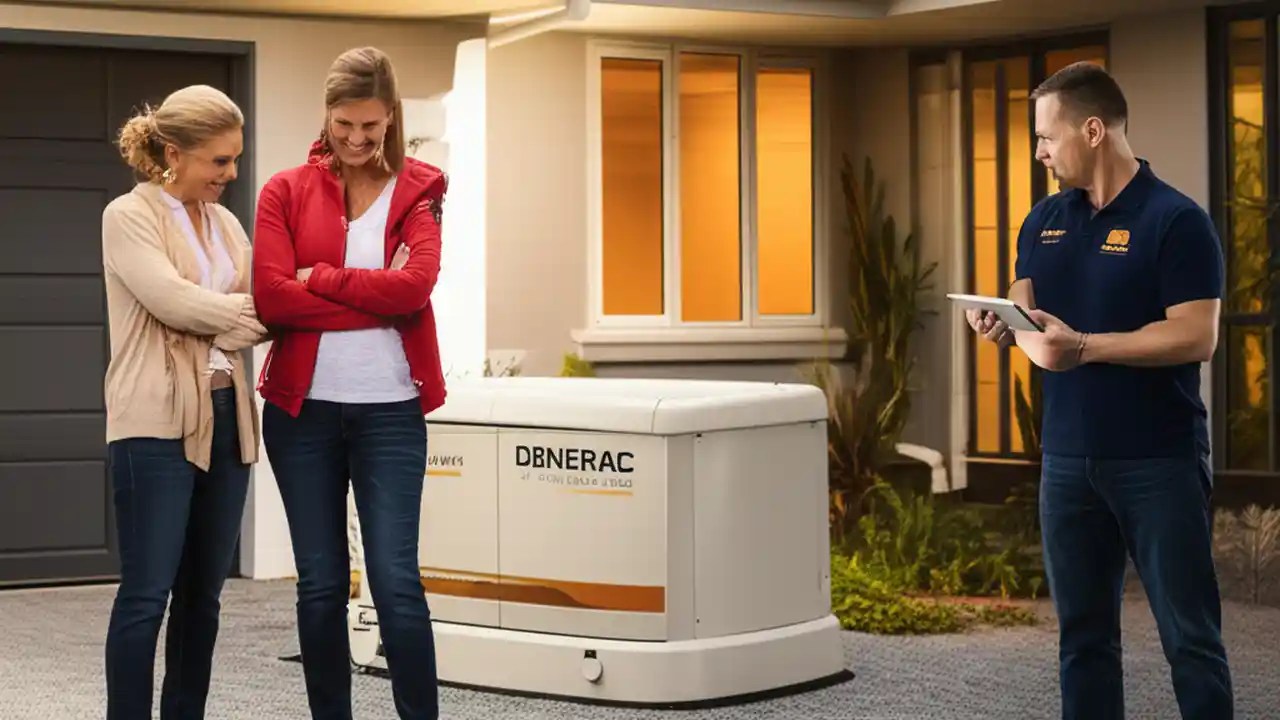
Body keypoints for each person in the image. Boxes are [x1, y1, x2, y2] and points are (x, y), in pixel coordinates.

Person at [967, 62, 1233, 720]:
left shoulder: (1176, 221)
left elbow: (1196, 336)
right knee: (1083, 641)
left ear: (1092, 130)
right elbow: (1032, 321)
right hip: (1065, 462)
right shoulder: (1042, 221)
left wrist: (1086, 345)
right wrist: (1002, 325)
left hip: (1158, 462)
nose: (1039, 152)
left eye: (1046, 138)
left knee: (1190, 641)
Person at [252, 46, 447, 720]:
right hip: (302, 415)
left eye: (372, 126)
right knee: (321, 585)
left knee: (395, 585)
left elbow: (416, 286)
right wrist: (378, 295)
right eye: (344, 125)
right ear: (326, 116)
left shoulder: (421, 191)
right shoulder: (283, 191)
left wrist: (324, 279)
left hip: (391, 411)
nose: (359, 140)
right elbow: (273, 301)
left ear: (391, 117)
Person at [102, 84, 267, 719]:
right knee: (148, 594)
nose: (231, 173)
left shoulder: (225, 223)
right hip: (154, 424)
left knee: (204, 595)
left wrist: (224, 317)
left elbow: (267, 307)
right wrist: (235, 316)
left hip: (229, 421)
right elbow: (169, 299)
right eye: (218, 161)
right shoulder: (127, 216)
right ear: (174, 153)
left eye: (235, 159)